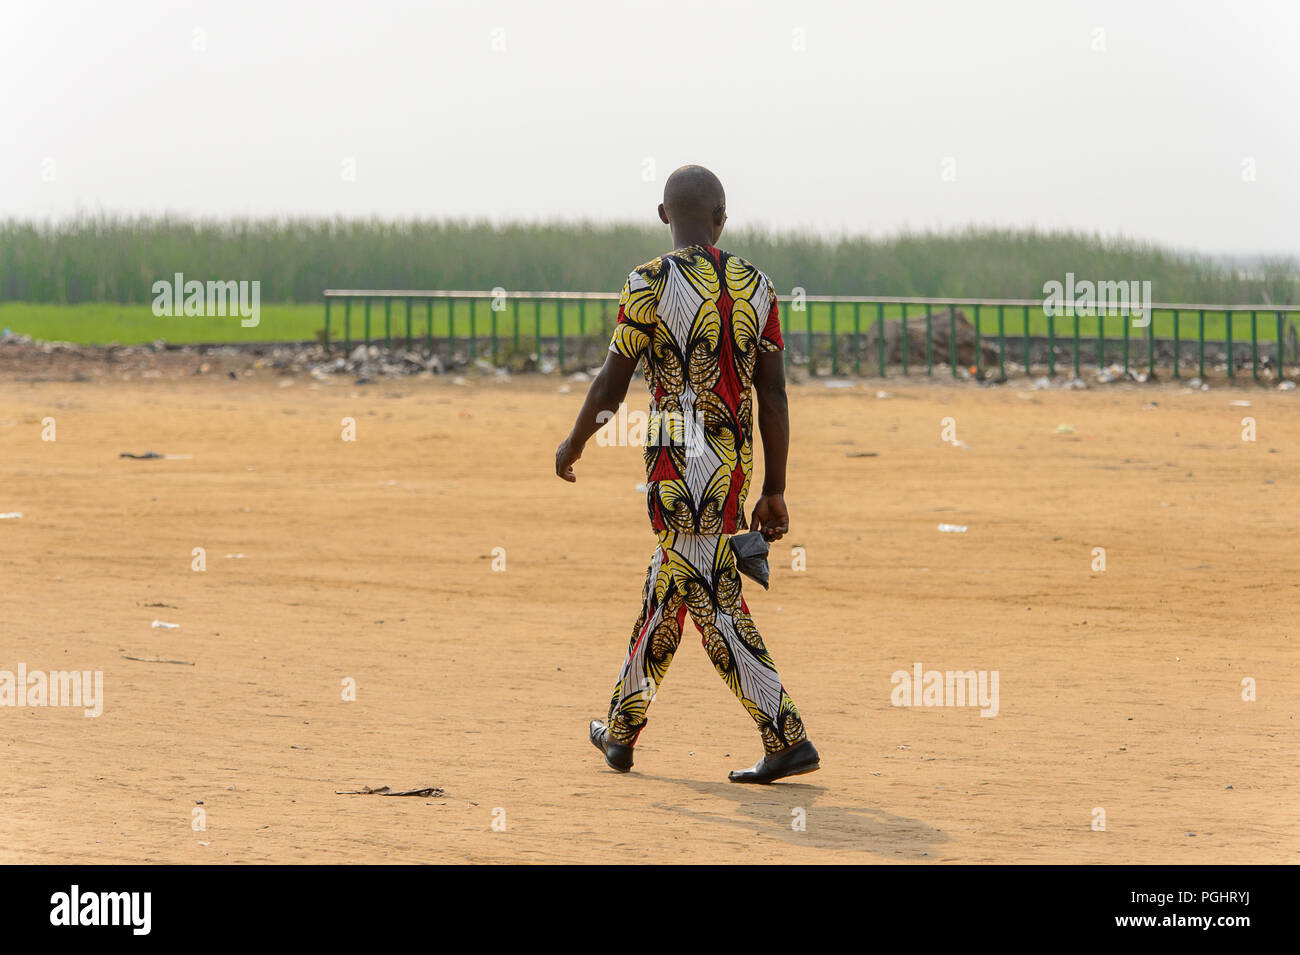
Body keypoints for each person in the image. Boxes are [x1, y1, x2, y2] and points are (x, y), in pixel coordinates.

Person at [554, 164, 818, 784]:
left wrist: (572, 444)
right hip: (731, 467)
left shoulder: (647, 283)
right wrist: (773, 488)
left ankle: (786, 736)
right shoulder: (758, 285)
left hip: (679, 469)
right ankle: (620, 730)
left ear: (663, 214)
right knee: (666, 588)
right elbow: (773, 396)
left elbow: (611, 386)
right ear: (722, 218)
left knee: (713, 602)